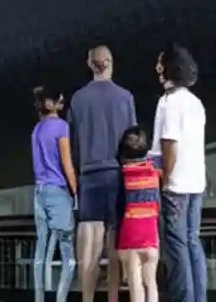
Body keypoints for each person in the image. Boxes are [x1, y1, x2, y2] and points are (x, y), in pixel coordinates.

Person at [68, 45, 136, 302]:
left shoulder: (77, 99)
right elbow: (132, 141)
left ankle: (87, 298)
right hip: (118, 175)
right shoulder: (125, 98)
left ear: (90, 64)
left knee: (89, 247)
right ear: (110, 63)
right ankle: (113, 297)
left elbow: (73, 143)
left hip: (89, 176)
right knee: (116, 243)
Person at [149, 43, 207, 302]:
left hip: (176, 184)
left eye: (161, 62)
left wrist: (165, 179)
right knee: (193, 241)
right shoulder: (195, 103)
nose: (157, 67)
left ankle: (183, 298)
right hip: (196, 182)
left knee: (176, 247)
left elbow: (169, 143)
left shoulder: (169, 102)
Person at [30, 85, 78, 302]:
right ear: (54, 102)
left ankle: (39, 298)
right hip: (57, 191)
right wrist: (75, 190)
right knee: (68, 253)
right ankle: (60, 299)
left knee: (41, 251)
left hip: (39, 190)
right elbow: (66, 163)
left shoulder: (37, 129)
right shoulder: (61, 127)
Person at [115, 126, 161, 302]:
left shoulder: (123, 175)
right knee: (151, 282)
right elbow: (157, 205)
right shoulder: (154, 173)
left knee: (135, 282)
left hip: (131, 236)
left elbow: (119, 208)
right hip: (151, 234)